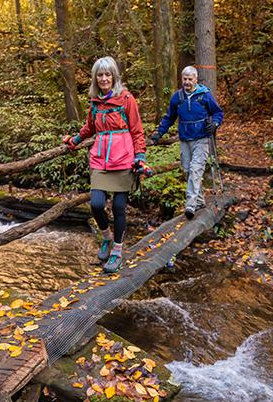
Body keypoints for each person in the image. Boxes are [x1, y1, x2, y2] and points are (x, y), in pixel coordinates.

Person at [63, 56, 147, 273]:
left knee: (119, 207)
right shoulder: (95, 102)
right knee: (96, 204)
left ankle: (117, 251)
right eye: (100, 75)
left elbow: (137, 130)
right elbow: (90, 128)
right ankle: (106, 237)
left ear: (114, 76)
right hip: (100, 157)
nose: (103, 78)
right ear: (95, 78)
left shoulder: (127, 99)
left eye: (107, 74)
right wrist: (75, 140)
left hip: (124, 157)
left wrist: (141, 157)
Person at [150, 66, 224, 219]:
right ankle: (200, 201)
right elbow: (169, 117)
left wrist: (215, 124)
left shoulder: (205, 96)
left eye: (190, 79)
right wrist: (159, 133)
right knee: (189, 170)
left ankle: (190, 204)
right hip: (185, 139)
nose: (187, 82)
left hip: (202, 138)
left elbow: (218, 112)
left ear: (196, 79)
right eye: (185, 79)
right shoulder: (177, 97)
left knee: (196, 169)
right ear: (181, 79)